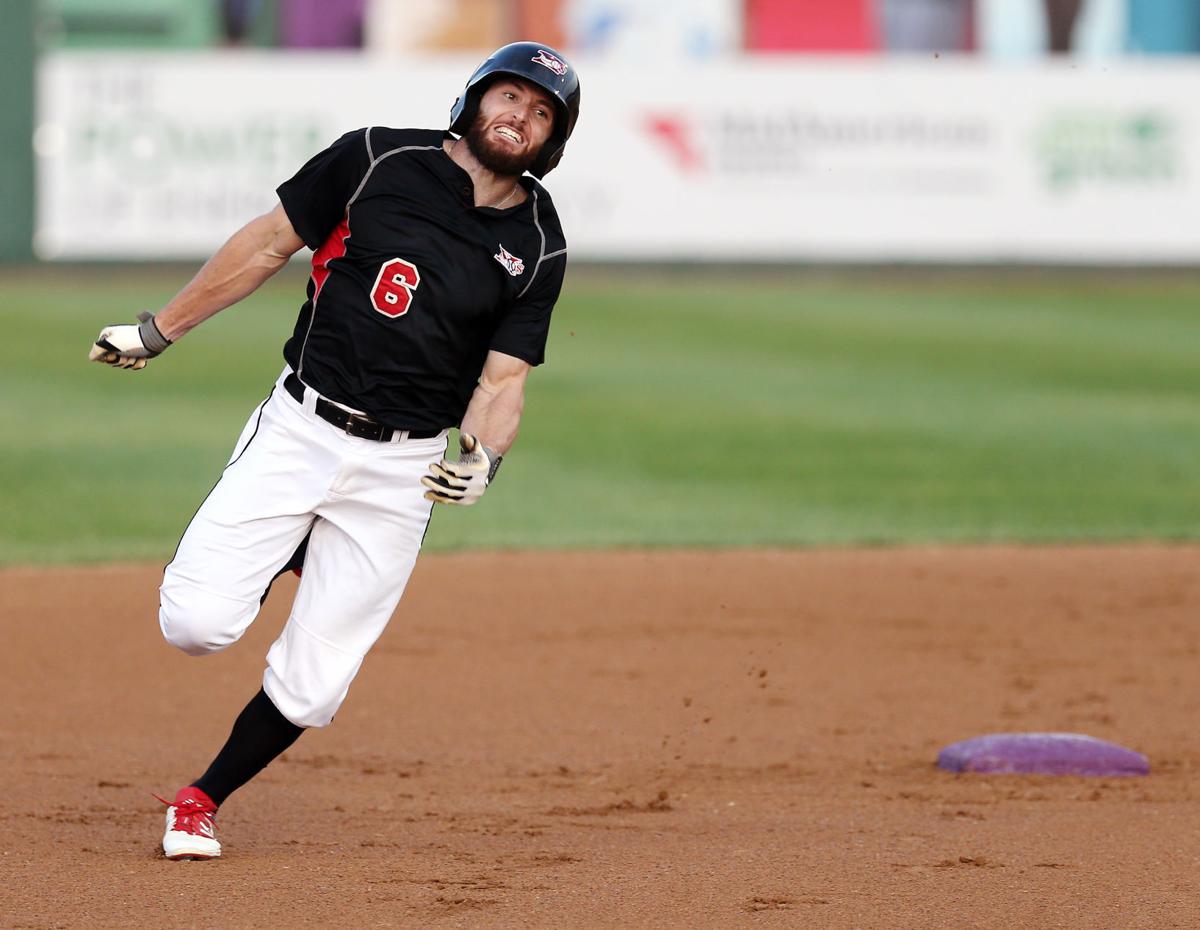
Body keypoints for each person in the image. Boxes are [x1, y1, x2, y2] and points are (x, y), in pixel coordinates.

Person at [87, 41, 580, 861]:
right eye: (509, 96)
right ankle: (297, 546)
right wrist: (156, 330)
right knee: (196, 625)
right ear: (473, 98)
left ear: (552, 141)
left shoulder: (538, 241)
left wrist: (484, 460)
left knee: (316, 686)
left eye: (540, 112)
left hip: (401, 471)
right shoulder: (376, 156)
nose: (518, 117)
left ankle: (200, 800)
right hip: (302, 429)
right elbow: (264, 245)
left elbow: (503, 380)